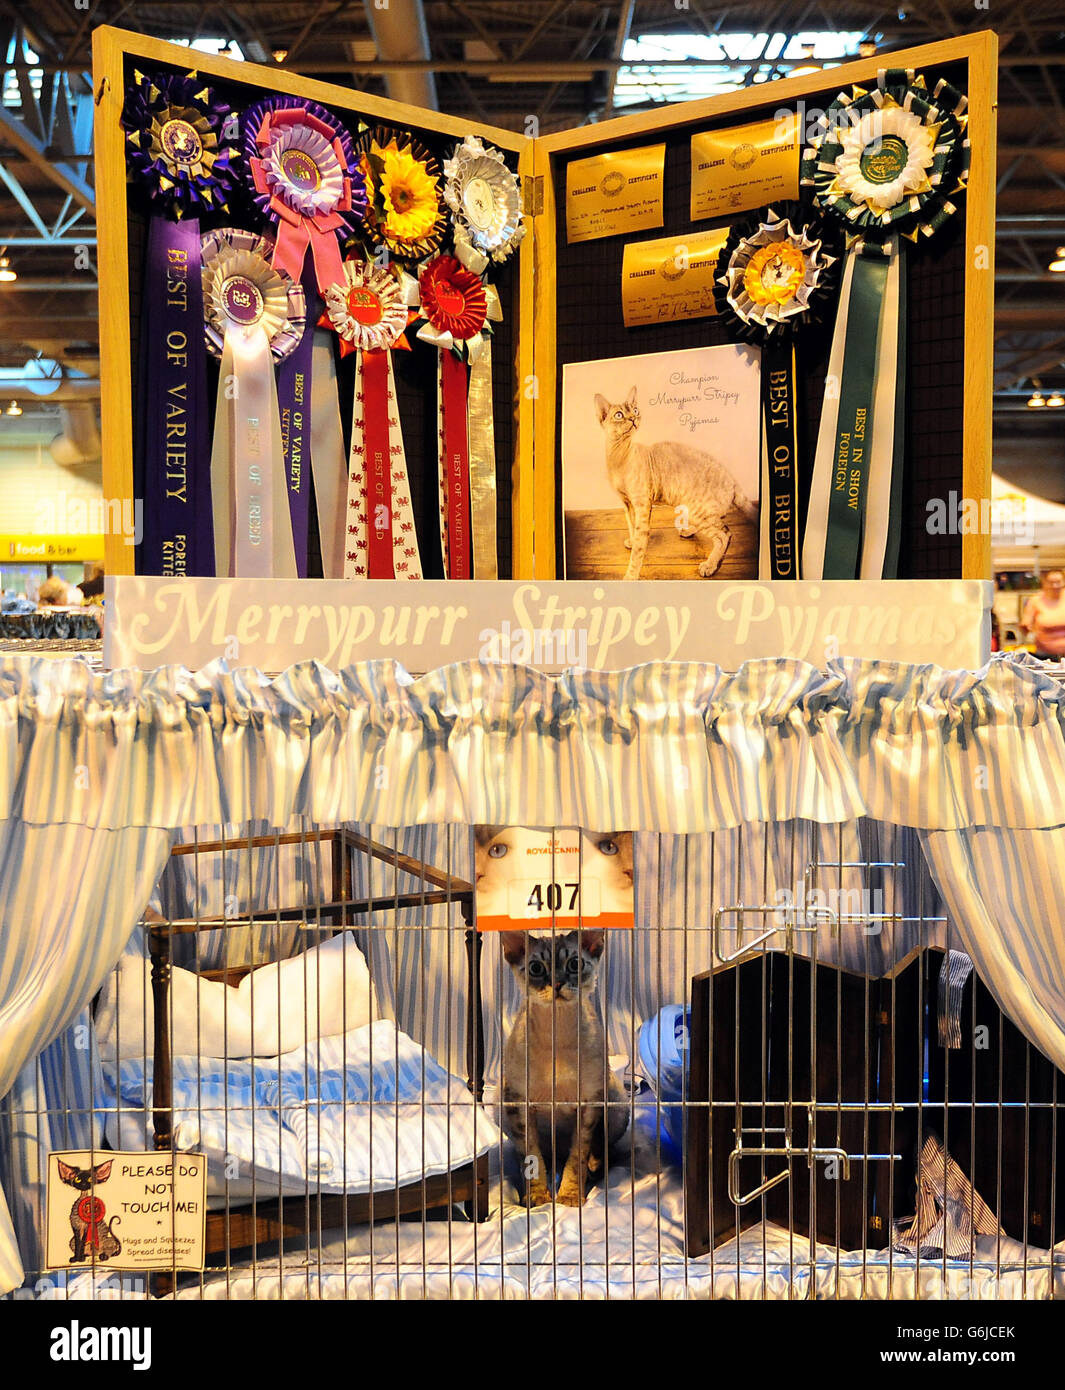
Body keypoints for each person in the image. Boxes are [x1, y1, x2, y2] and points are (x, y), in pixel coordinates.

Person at [1022, 568, 1065, 660]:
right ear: (1045, 583)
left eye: (1058, 582)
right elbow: (1026, 623)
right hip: (1044, 656)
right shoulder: (1035, 600)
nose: (1055, 586)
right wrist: (1028, 629)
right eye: (1051, 582)